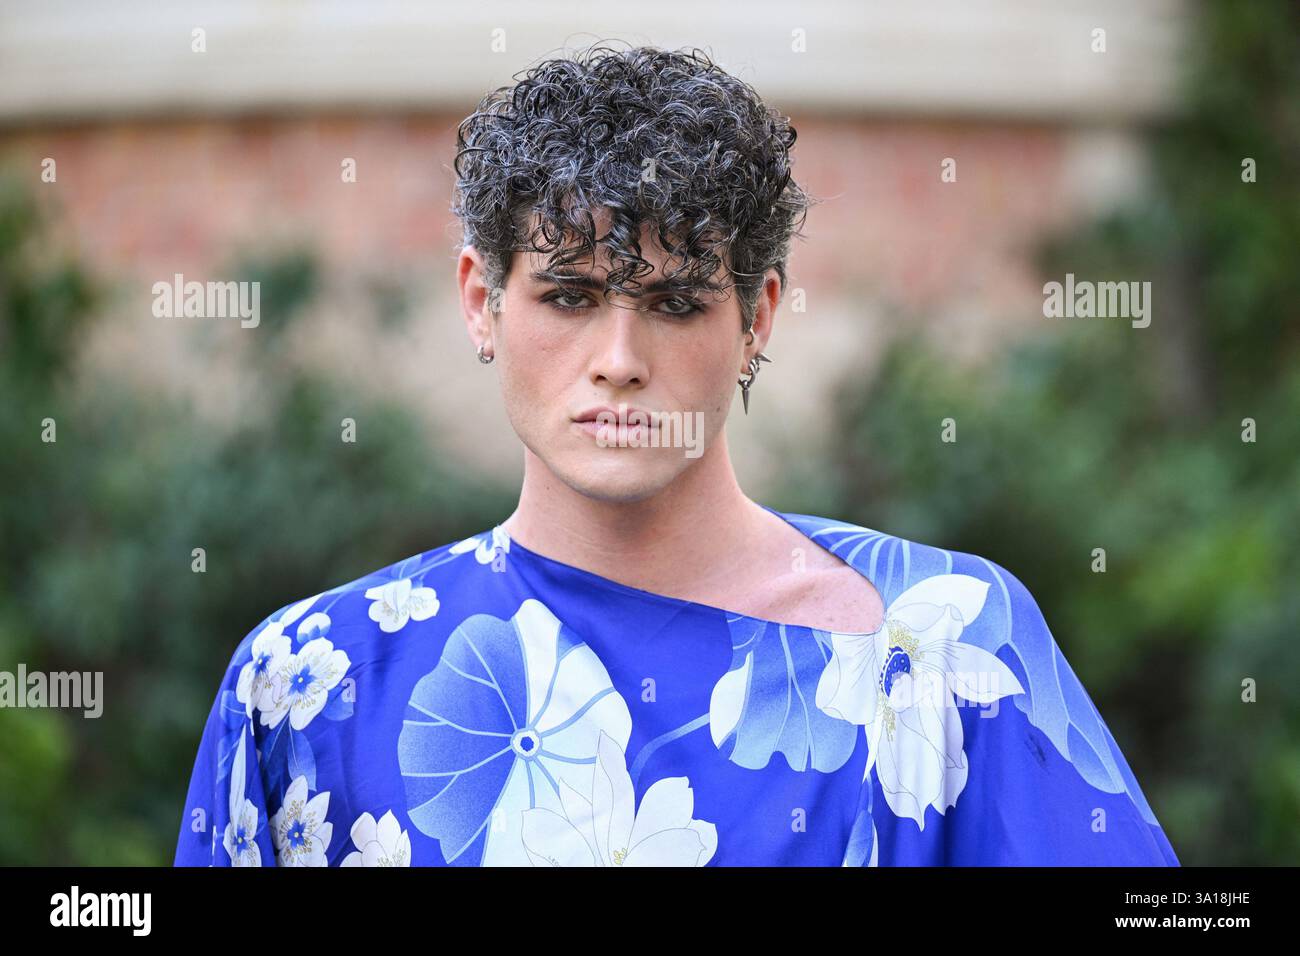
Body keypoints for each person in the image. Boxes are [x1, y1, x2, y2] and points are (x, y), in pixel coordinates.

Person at [174, 43, 1179, 867]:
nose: (618, 361)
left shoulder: (941, 649)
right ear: (481, 300)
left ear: (756, 317)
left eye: (674, 302)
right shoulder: (308, 686)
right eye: (567, 295)